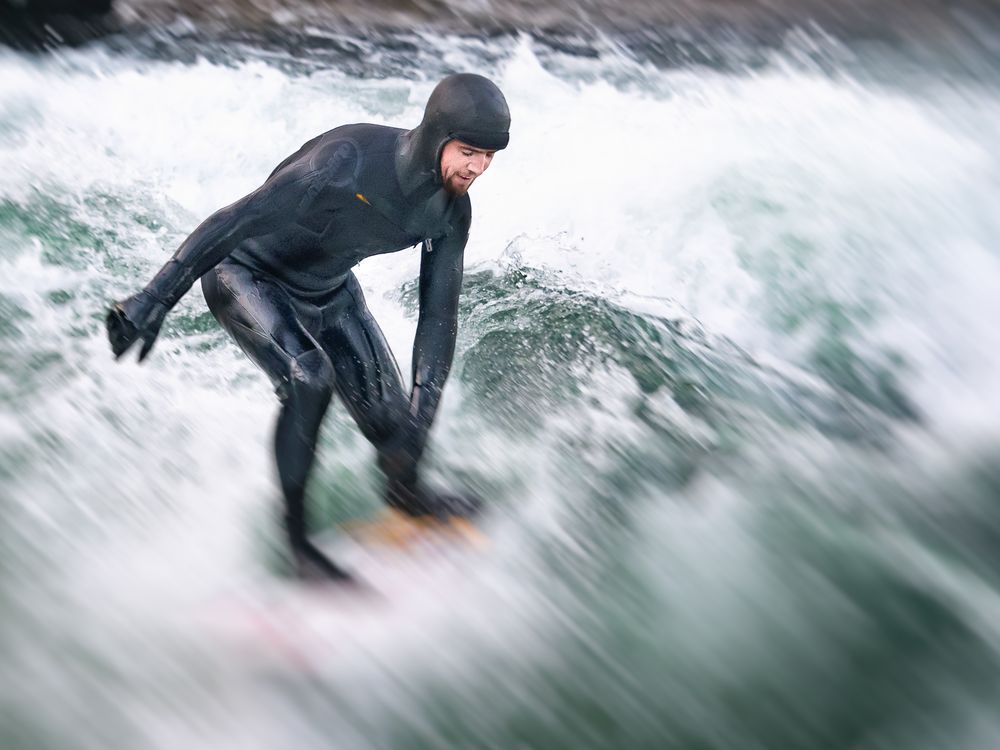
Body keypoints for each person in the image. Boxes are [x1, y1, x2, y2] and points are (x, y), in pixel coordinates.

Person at [105, 74, 510, 581]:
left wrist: (422, 413)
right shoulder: (346, 163)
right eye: (469, 151)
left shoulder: (451, 213)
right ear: (436, 135)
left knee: (397, 425)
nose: (477, 167)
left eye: (489, 156)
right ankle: (298, 545)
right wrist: (154, 298)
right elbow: (236, 220)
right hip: (246, 274)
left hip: (331, 292)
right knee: (308, 376)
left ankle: (406, 495)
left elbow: (439, 313)